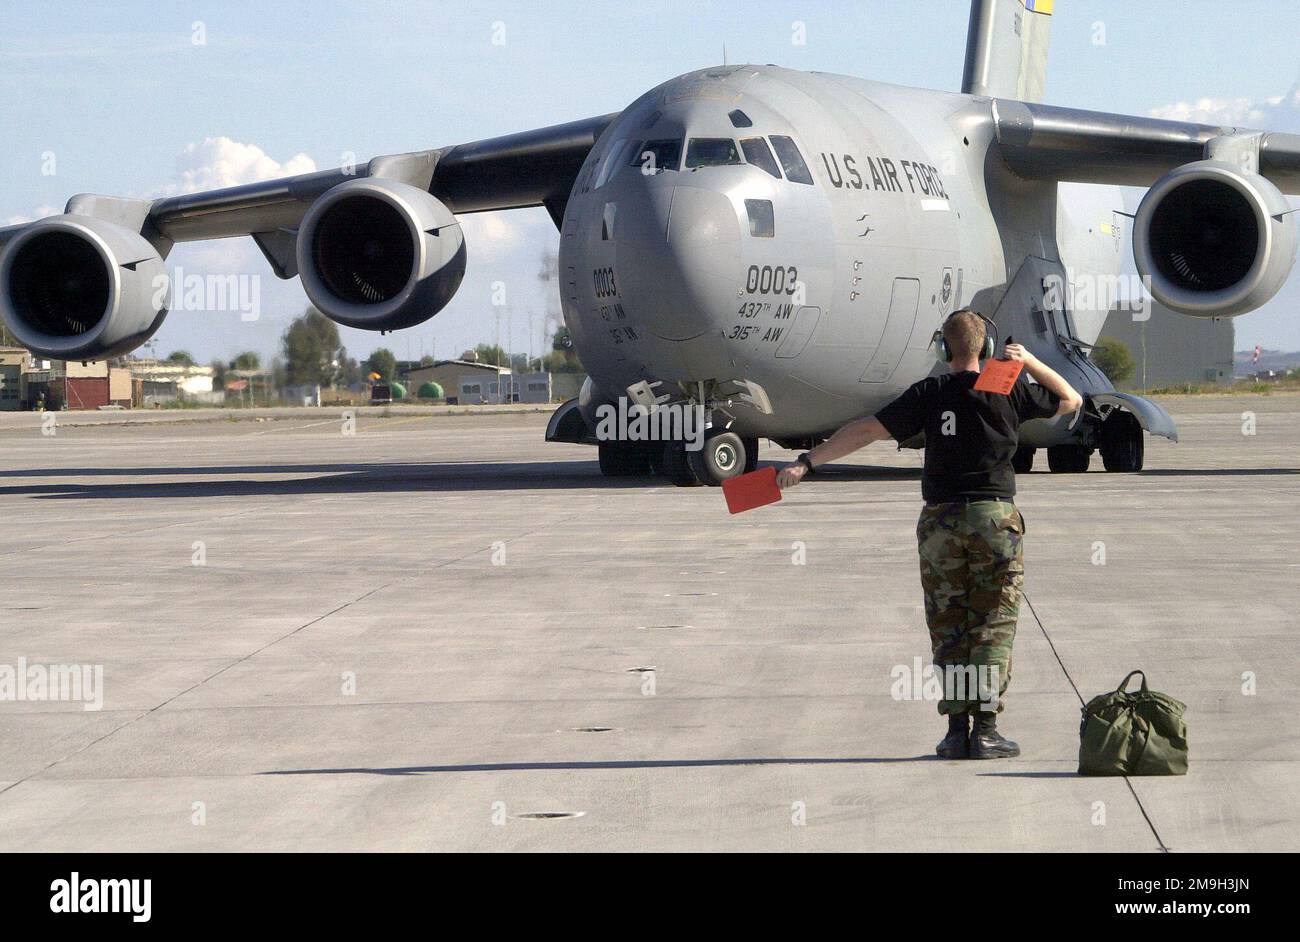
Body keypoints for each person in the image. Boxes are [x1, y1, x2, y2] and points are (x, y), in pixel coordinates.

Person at [777, 309, 1083, 759]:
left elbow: (865, 431)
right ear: (988, 348)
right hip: (994, 521)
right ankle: (986, 730)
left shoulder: (929, 392)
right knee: (992, 623)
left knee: (948, 623)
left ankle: (956, 732)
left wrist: (807, 462)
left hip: (940, 521)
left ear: (943, 348)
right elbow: (1071, 398)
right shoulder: (1006, 385)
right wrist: (1028, 361)